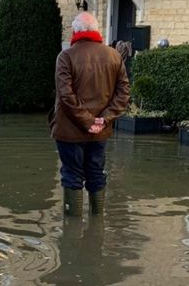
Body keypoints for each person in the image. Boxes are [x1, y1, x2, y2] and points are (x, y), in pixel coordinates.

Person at [49, 12, 130, 216]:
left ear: (75, 31)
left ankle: (72, 227)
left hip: (70, 130)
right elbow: (123, 93)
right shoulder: (114, 56)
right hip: (100, 131)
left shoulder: (66, 56)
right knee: (96, 172)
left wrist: (88, 121)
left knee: (72, 175)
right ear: (96, 30)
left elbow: (65, 95)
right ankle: (97, 223)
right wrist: (103, 119)